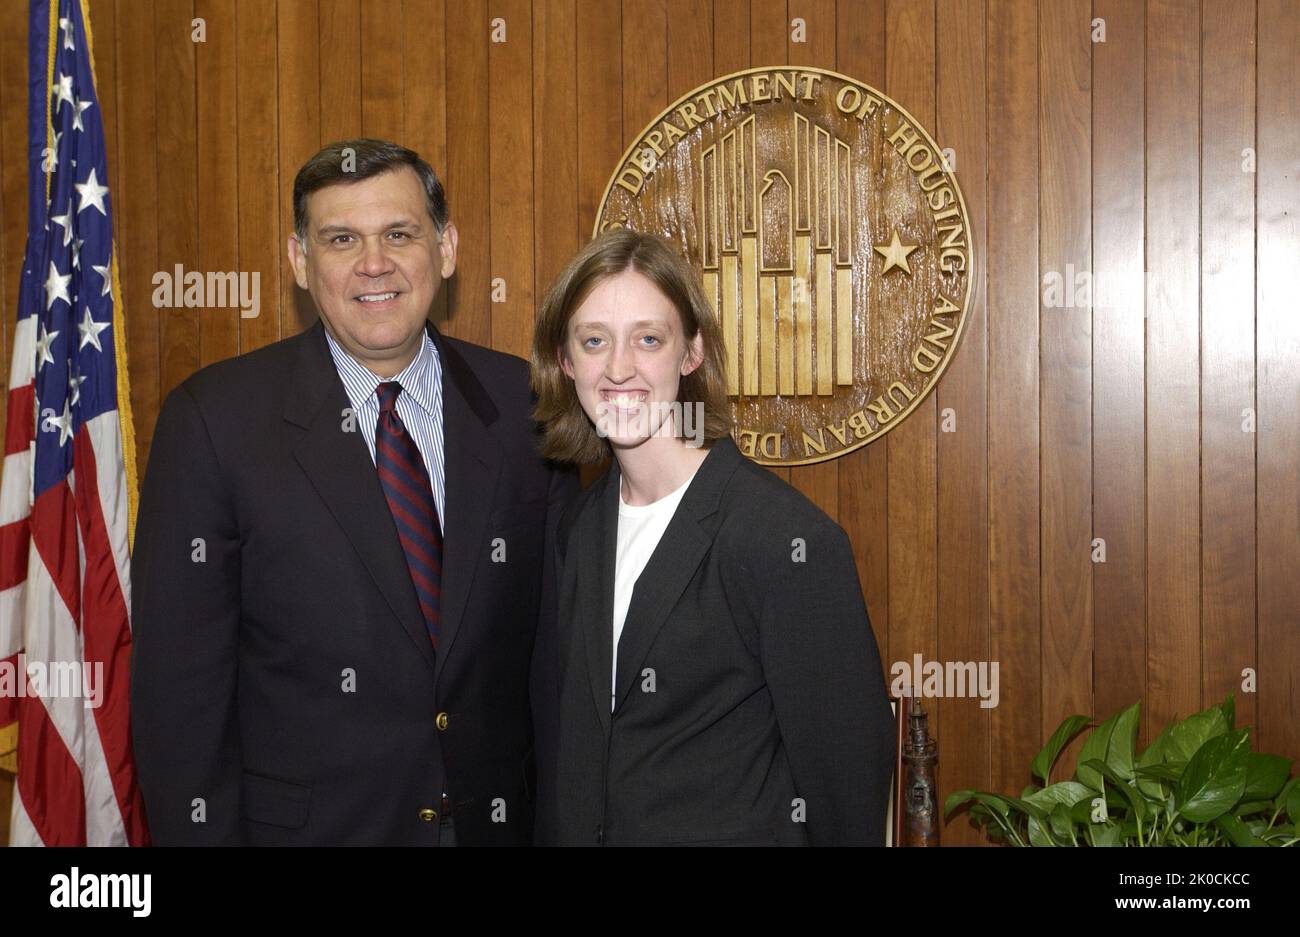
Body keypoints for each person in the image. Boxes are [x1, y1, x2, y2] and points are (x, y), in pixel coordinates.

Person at [130, 138, 577, 845]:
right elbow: (178, 704)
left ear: (447, 248)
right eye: (342, 239)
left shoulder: (525, 406)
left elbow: (554, 668)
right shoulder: (214, 422)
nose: (376, 263)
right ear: (301, 262)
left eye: (399, 233)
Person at [530, 228, 894, 846]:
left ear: (691, 353)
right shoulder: (577, 526)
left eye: (649, 339)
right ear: (565, 362)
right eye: (595, 341)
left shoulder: (785, 541)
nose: (619, 368)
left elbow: (846, 789)